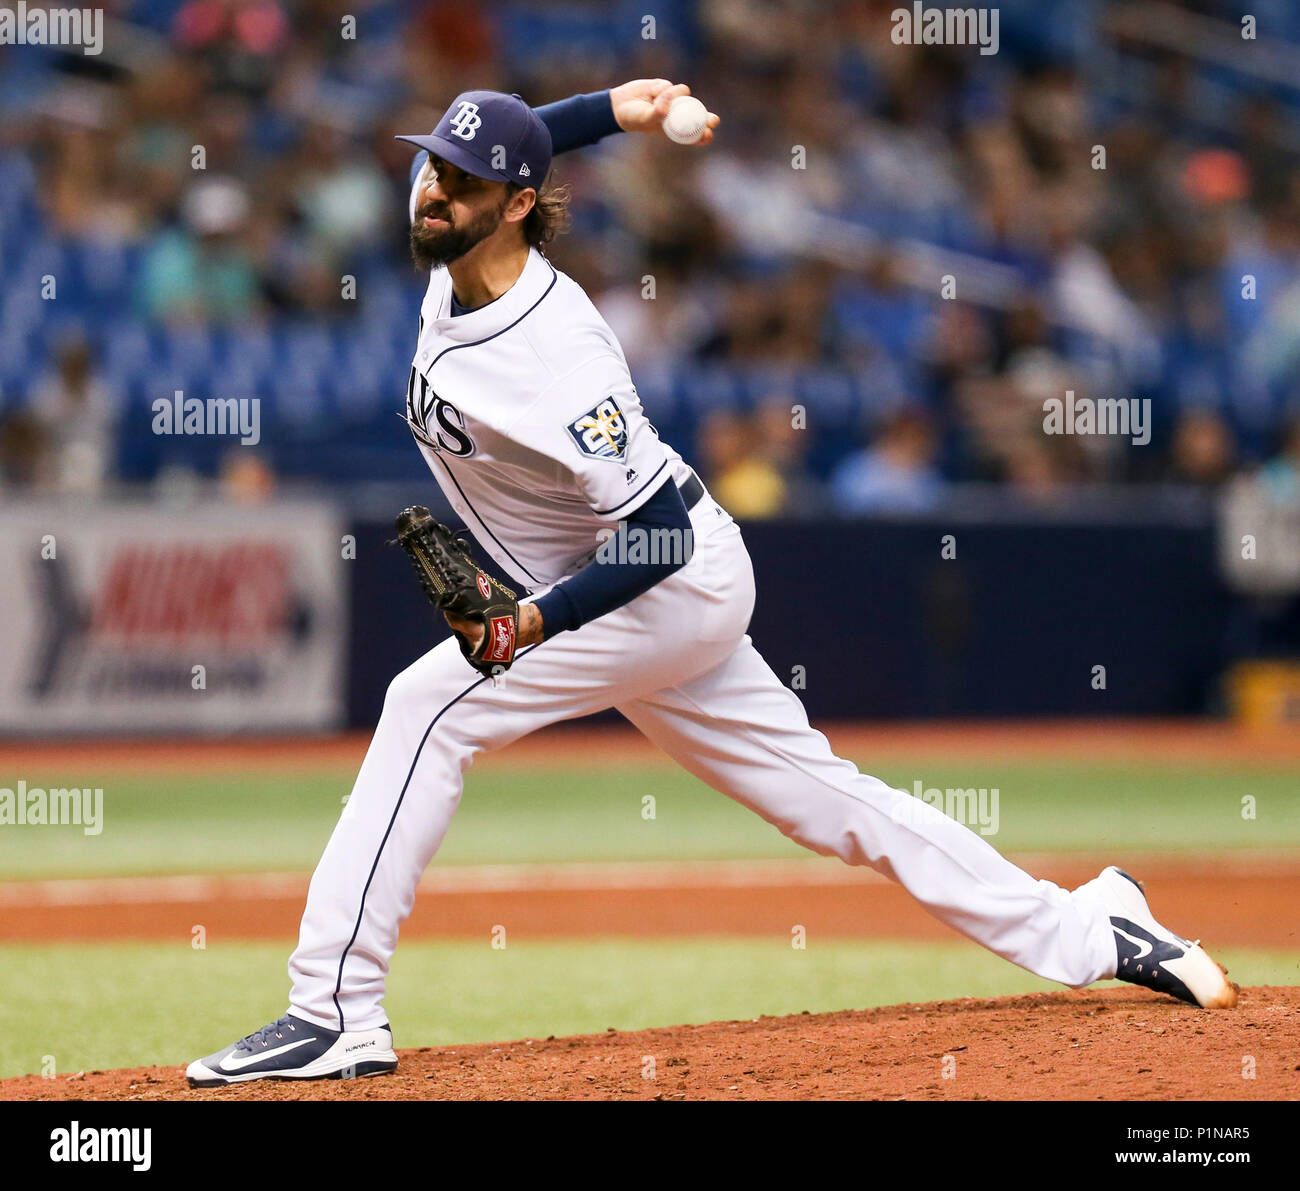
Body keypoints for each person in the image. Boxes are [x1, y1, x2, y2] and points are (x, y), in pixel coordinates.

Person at [186, 82, 1236, 1088]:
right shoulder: (460, 249)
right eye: (432, 165)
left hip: (659, 581)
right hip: (627, 584)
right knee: (826, 805)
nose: (430, 187)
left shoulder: (554, 356)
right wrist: (611, 113)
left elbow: (654, 536)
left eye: (459, 180)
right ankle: (1094, 924)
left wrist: (529, 624)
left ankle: (332, 1013)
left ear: (512, 209)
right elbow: (509, 147)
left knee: (427, 708)